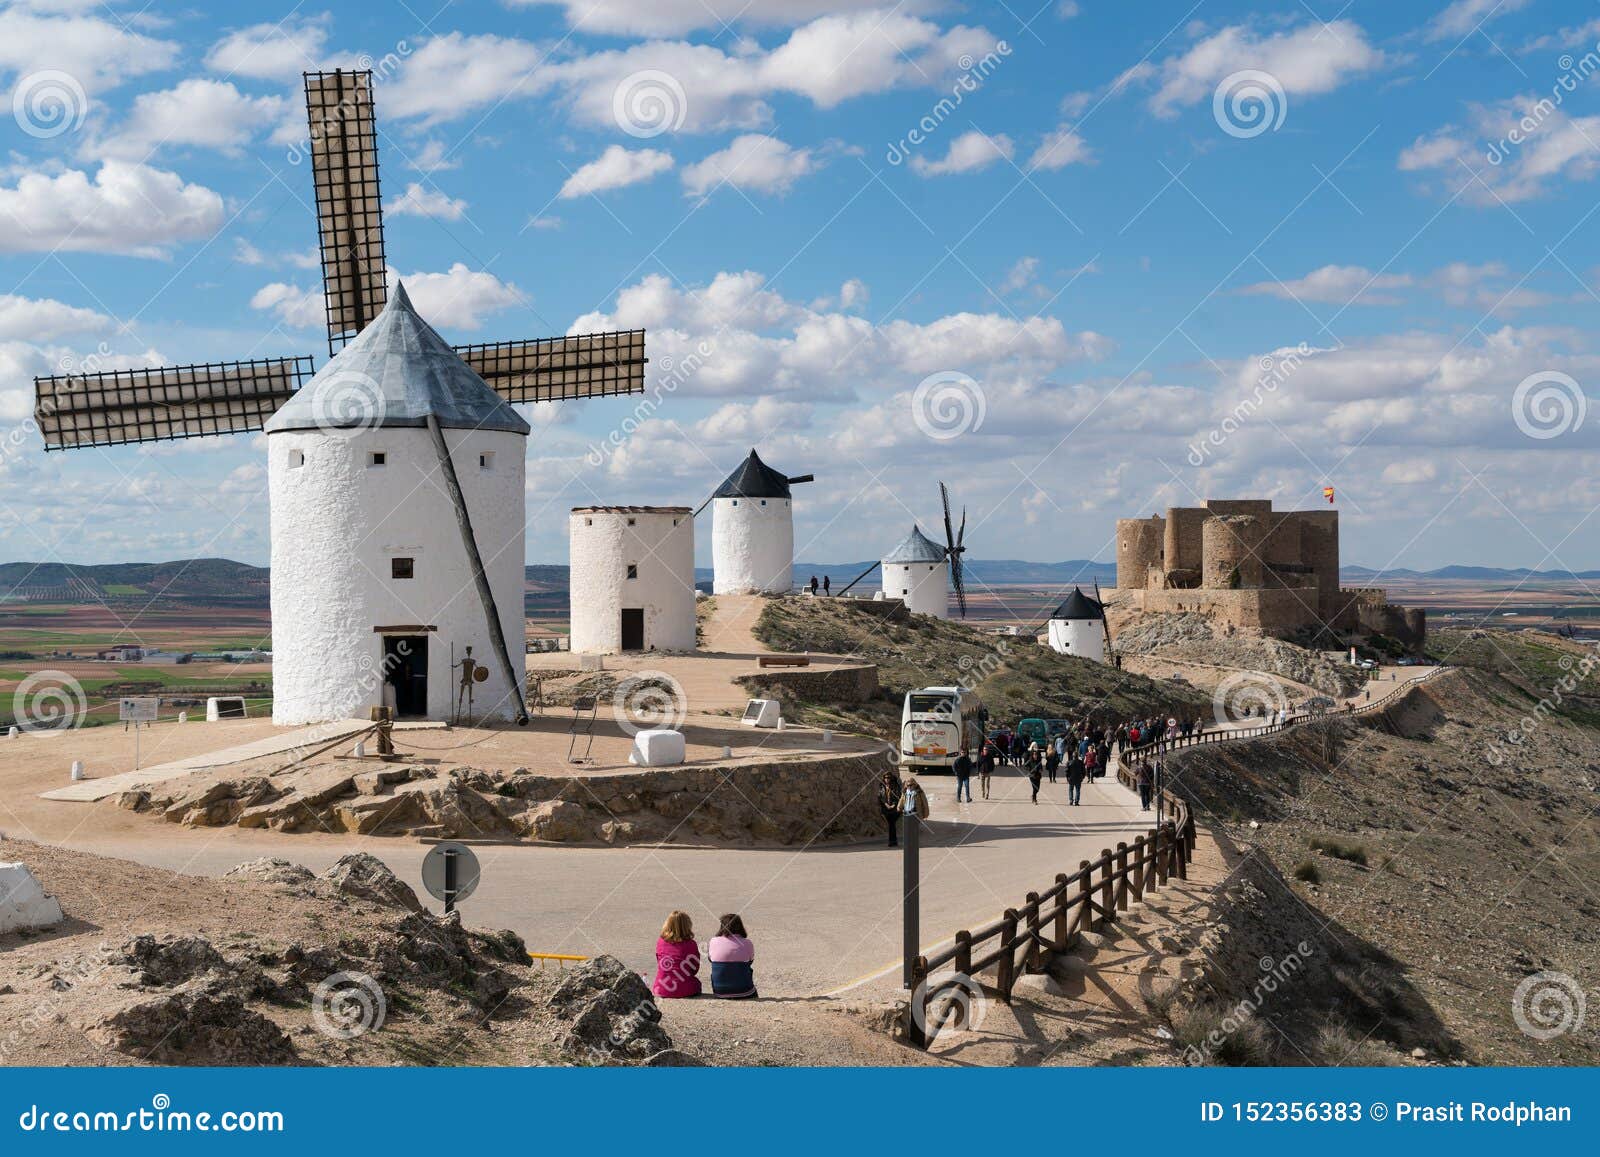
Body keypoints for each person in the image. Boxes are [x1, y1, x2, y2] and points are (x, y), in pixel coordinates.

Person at [652, 910, 701, 998]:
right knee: (696, 984)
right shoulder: (691, 944)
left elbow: (659, 962)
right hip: (684, 989)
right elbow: (694, 968)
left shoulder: (660, 942)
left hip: (661, 988)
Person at [708, 913, 758, 999]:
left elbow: (711, 959)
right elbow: (750, 960)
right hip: (744, 991)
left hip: (720, 991)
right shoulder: (747, 942)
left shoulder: (713, 941)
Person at [878, 770, 903, 847]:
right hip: (886, 809)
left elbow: (899, 796)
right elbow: (880, 797)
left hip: (895, 809)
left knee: (891, 824)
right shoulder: (882, 786)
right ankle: (893, 841)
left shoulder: (896, 786)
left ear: (891, 778)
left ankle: (892, 841)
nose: (887, 779)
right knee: (891, 824)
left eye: (888, 778)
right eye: (885, 778)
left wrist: (893, 805)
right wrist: (886, 804)